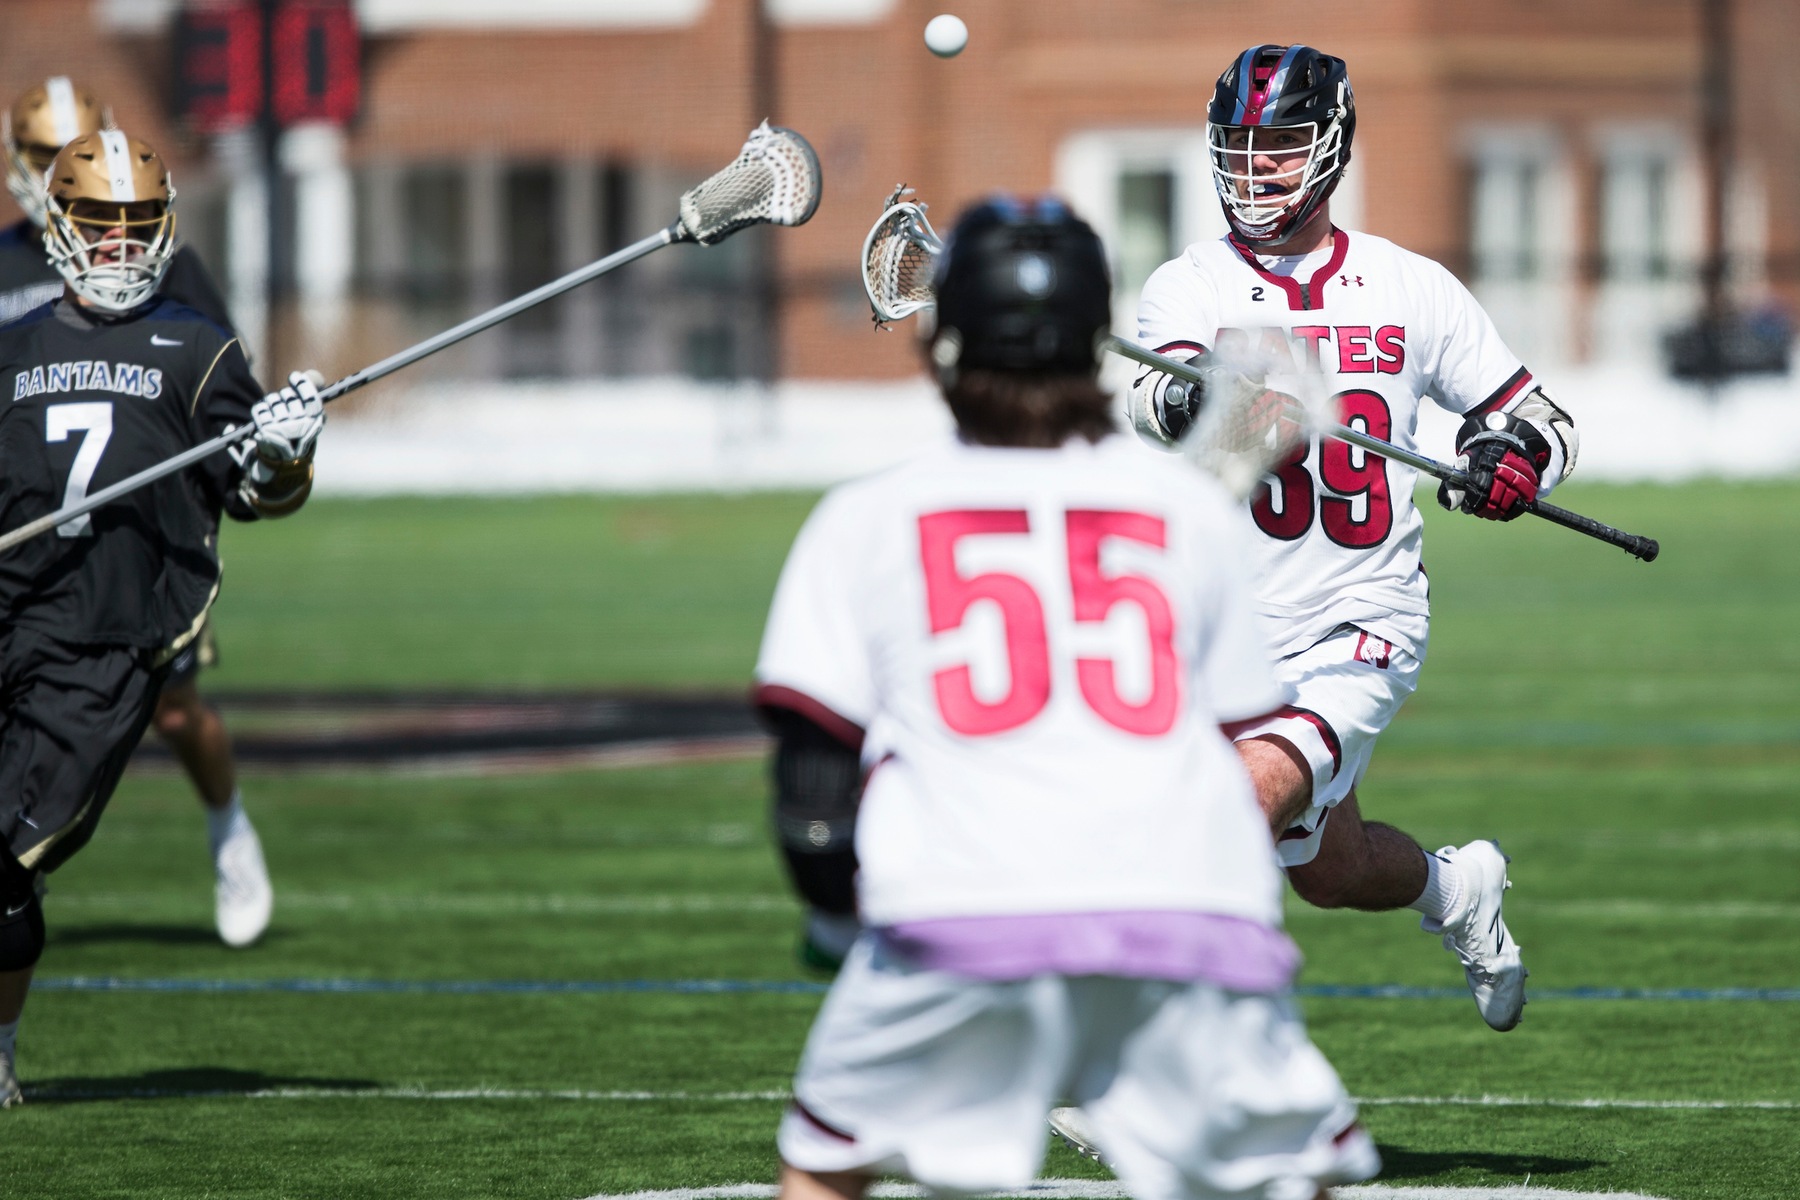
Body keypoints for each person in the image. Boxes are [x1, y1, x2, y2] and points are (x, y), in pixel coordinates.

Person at [757, 196, 1378, 1200]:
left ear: (943, 343)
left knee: (827, 1167)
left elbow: (814, 797)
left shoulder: (862, 519)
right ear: (1098, 344)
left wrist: (838, 929)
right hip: (1185, 920)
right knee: (1291, 1177)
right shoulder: (1191, 511)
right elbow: (1235, 742)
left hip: (959, 912)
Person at [1127, 44, 1579, 1035]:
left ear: (1332, 145)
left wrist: (1508, 460)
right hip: (1226, 628)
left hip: (1360, 617)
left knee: (1227, 812)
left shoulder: (1410, 287)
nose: (1258, 166)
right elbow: (1155, 402)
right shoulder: (1191, 285)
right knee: (1331, 873)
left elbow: (1545, 422)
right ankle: (1458, 891)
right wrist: (1216, 405)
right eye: (1241, 144)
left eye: (1283, 143)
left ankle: (1123, 1068)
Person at [0, 130, 326, 1107]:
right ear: (62, 226)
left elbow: (259, 495)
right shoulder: (12, 348)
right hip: (9, 617)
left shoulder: (197, 349)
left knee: (3, 863)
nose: (120, 245)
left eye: (137, 225)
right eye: (100, 225)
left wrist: (286, 455)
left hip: (103, 647)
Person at [2, 77, 272, 948]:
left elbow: (222, 411)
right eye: (44, 155)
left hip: (142, 552)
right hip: (28, 568)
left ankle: (229, 826)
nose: (116, 240)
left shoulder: (177, 296)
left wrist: (275, 453)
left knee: (178, 709)